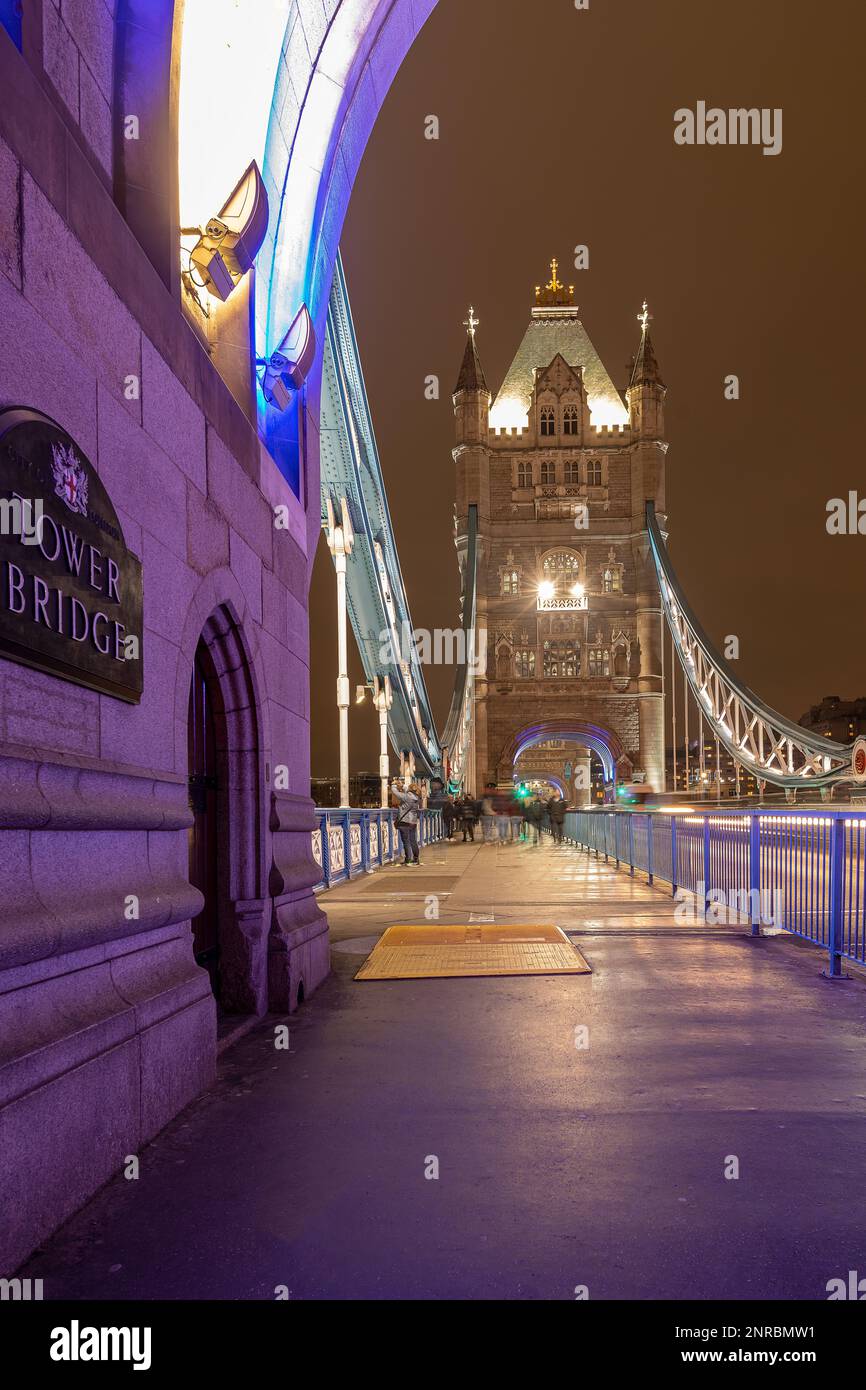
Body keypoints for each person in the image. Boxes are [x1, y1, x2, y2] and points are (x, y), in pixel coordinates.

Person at [391, 779, 421, 865]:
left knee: (406, 841)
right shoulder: (417, 797)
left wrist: (393, 785)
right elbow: (408, 790)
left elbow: (395, 792)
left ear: (409, 790)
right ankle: (416, 859)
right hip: (413, 822)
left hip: (404, 821)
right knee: (413, 840)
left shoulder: (406, 797)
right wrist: (402, 785)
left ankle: (408, 859)